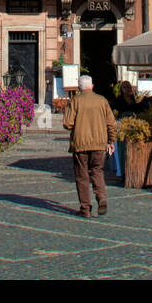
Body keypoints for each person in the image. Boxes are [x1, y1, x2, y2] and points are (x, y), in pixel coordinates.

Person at [62, 74, 117, 217]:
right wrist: (111, 141)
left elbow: (67, 123)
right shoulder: (102, 101)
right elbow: (111, 123)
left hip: (80, 144)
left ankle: (85, 209)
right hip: (99, 144)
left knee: (82, 176)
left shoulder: (75, 101)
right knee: (97, 172)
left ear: (79, 88)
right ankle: (101, 197)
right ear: (92, 86)